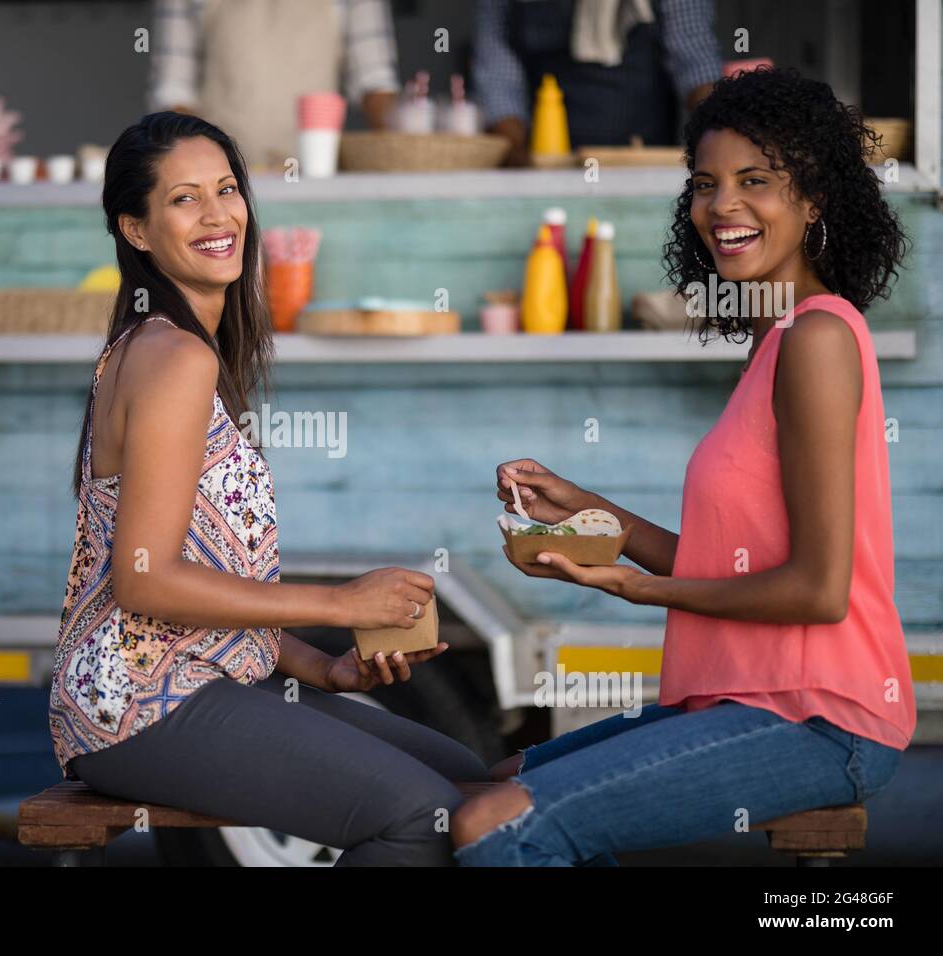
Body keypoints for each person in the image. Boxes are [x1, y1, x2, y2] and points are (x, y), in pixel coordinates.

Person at [453, 67, 914, 865]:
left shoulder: (816, 341)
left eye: (755, 181)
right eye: (705, 184)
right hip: (756, 702)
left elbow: (817, 587)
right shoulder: (778, 341)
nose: (722, 206)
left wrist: (635, 589)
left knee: (493, 824)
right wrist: (597, 516)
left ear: (816, 200)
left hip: (821, 718)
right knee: (485, 786)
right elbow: (735, 564)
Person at [49, 111, 489, 867]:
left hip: (207, 679)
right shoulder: (171, 359)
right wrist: (340, 604)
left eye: (227, 189)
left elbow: (208, 579)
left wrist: (322, 667)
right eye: (185, 199)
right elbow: (144, 580)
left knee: (476, 787)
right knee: (429, 817)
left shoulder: (185, 352)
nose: (218, 214)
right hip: (136, 701)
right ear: (137, 231)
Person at [147, 0, 399, 171]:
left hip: (315, 179)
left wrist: (397, 164)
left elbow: (375, 82)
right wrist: (197, 175)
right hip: (220, 181)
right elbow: (174, 91)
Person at [473, 0, 720, 165]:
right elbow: (496, 61)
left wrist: (718, 133)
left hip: (638, 154)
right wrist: (512, 149)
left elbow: (694, 57)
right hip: (545, 155)